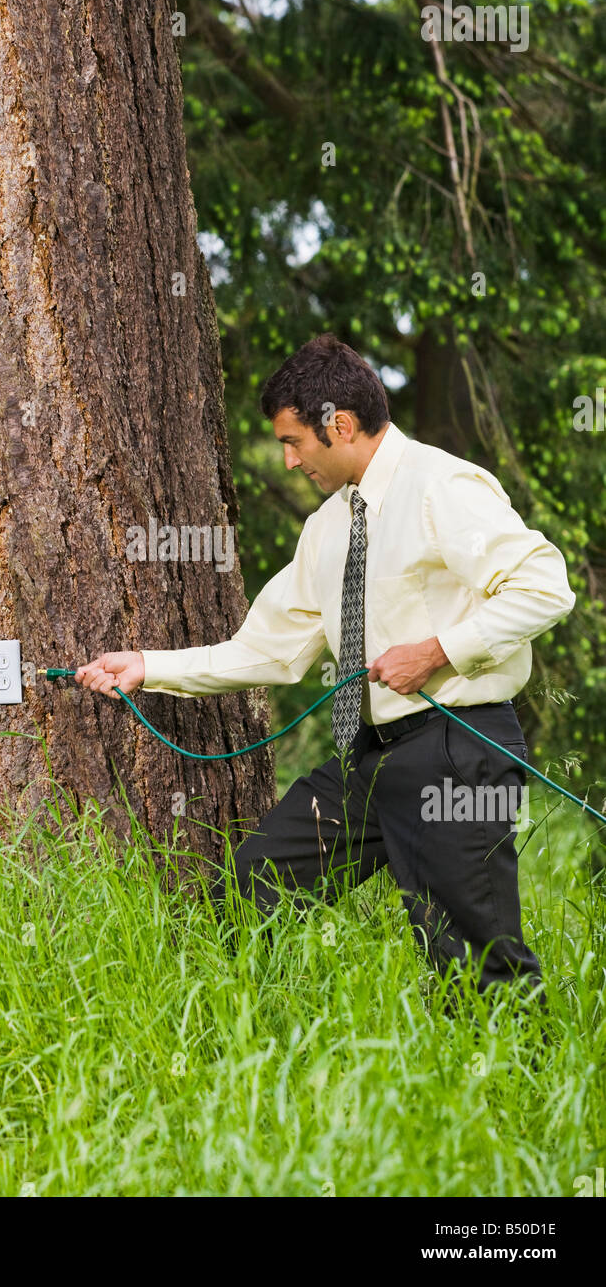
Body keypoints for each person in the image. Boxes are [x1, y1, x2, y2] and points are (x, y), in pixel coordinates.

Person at [74, 334, 576, 1012]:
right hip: (368, 759)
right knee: (250, 892)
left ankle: (516, 1099)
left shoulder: (441, 485)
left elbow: (544, 585)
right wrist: (146, 667)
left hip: (459, 753)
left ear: (336, 424)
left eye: (293, 441)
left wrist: (438, 650)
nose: (287, 460)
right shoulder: (328, 528)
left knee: (474, 963)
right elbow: (267, 650)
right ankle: (256, 1044)